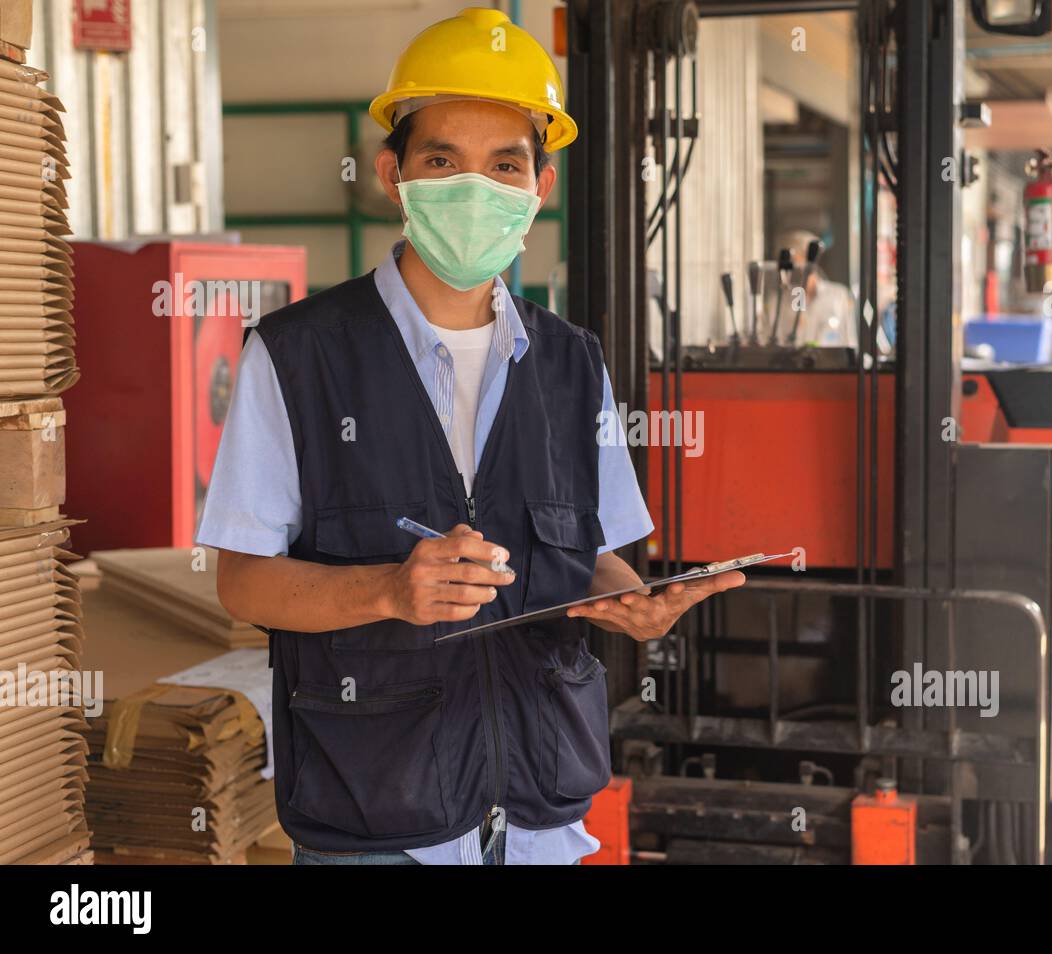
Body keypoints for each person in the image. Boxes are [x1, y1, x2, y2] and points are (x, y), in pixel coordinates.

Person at [197, 7, 744, 866]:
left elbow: (585, 554)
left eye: (505, 165)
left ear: (540, 188)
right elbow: (243, 581)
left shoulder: (572, 363)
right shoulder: (299, 355)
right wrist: (387, 591)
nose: (475, 189)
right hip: (375, 814)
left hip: (541, 815)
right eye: (443, 160)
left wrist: (629, 601)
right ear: (394, 173)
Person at [774, 228, 858, 348]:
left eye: (795, 261)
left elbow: (849, 342)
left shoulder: (838, 296)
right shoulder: (782, 301)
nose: (792, 268)